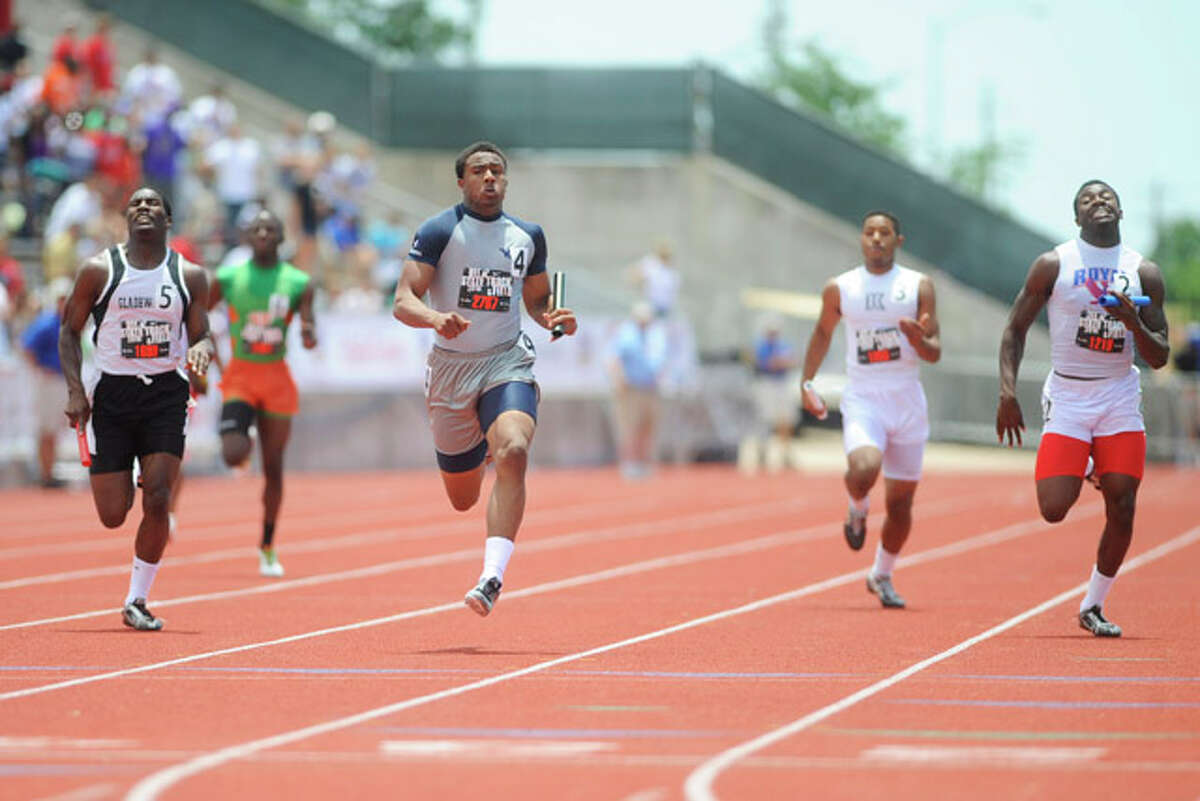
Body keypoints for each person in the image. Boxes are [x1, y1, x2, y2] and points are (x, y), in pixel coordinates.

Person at [392, 140, 577, 617]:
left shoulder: (527, 235)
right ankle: (478, 442)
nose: (489, 178)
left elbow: (536, 302)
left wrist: (553, 317)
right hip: (452, 370)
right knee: (462, 498)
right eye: (479, 171)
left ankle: (492, 576)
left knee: (514, 450)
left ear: (506, 180)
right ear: (462, 181)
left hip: (505, 360)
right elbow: (403, 299)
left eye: (497, 170)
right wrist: (435, 319)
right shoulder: (439, 230)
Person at [997, 180, 1170, 638]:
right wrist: (1007, 393)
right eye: (1088, 200)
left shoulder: (1143, 272)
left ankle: (1093, 604)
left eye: (1107, 196)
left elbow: (1160, 356)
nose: (1100, 202)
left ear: (1121, 208)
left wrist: (1132, 321)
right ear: (1077, 218)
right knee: (1054, 508)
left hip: (1117, 395)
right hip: (1070, 397)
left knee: (1124, 504)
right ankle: (1092, 465)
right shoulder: (1055, 264)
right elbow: (1014, 329)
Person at [59, 186, 213, 631]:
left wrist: (201, 349)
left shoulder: (190, 275)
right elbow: (69, 332)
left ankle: (137, 599)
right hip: (112, 396)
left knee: (160, 495)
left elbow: (202, 333)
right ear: (126, 218)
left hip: (165, 394)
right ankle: (127, 468)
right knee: (112, 516)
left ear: (168, 219)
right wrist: (75, 393)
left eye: (153, 204)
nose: (143, 208)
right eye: (136, 204)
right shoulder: (99, 270)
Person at [801, 211, 941, 609]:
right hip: (864, 398)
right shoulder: (841, 288)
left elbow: (935, 351)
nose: (876, 238)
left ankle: (881, 574)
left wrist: (917, 338)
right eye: (869, 232)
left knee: (900, 506)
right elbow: (823, 332)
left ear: (899, 240)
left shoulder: (918, 286)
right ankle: (858, 508)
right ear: (861, 239)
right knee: (863, 470)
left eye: (885, 233)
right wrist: (806, 382)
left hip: (907, 401)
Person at [208, 209, 316, 577]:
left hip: (277, 379)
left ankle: (268, 546)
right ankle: (244, 433)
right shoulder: (227, 277)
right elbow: (196, 315)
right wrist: (203, 348)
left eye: (271, 228)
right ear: (247, 237)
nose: (265, 233)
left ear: (281, 236)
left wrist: (308, 334)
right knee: (233, 452)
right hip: (240, 374)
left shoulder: (298, 281)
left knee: (274, 469)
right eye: (257, 229)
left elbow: (309, 324)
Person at [608, 301, 668, 480]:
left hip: (650, 387)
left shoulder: (656, 334)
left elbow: (660, 359)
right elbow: (613, 359)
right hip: (632, 388)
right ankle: (630, 463)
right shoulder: (626, 334)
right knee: (630, 427)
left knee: (648, 427)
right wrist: (619, 381)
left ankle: (644, 462)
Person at [20, 277, 71, 487]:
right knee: (47, 429)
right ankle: (46, 472)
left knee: (52, 429)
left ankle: (49, 469)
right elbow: (26, 347)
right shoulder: (47, 322)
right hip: (50, 380)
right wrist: (40, 370)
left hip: (59, 380)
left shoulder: (64, 322)